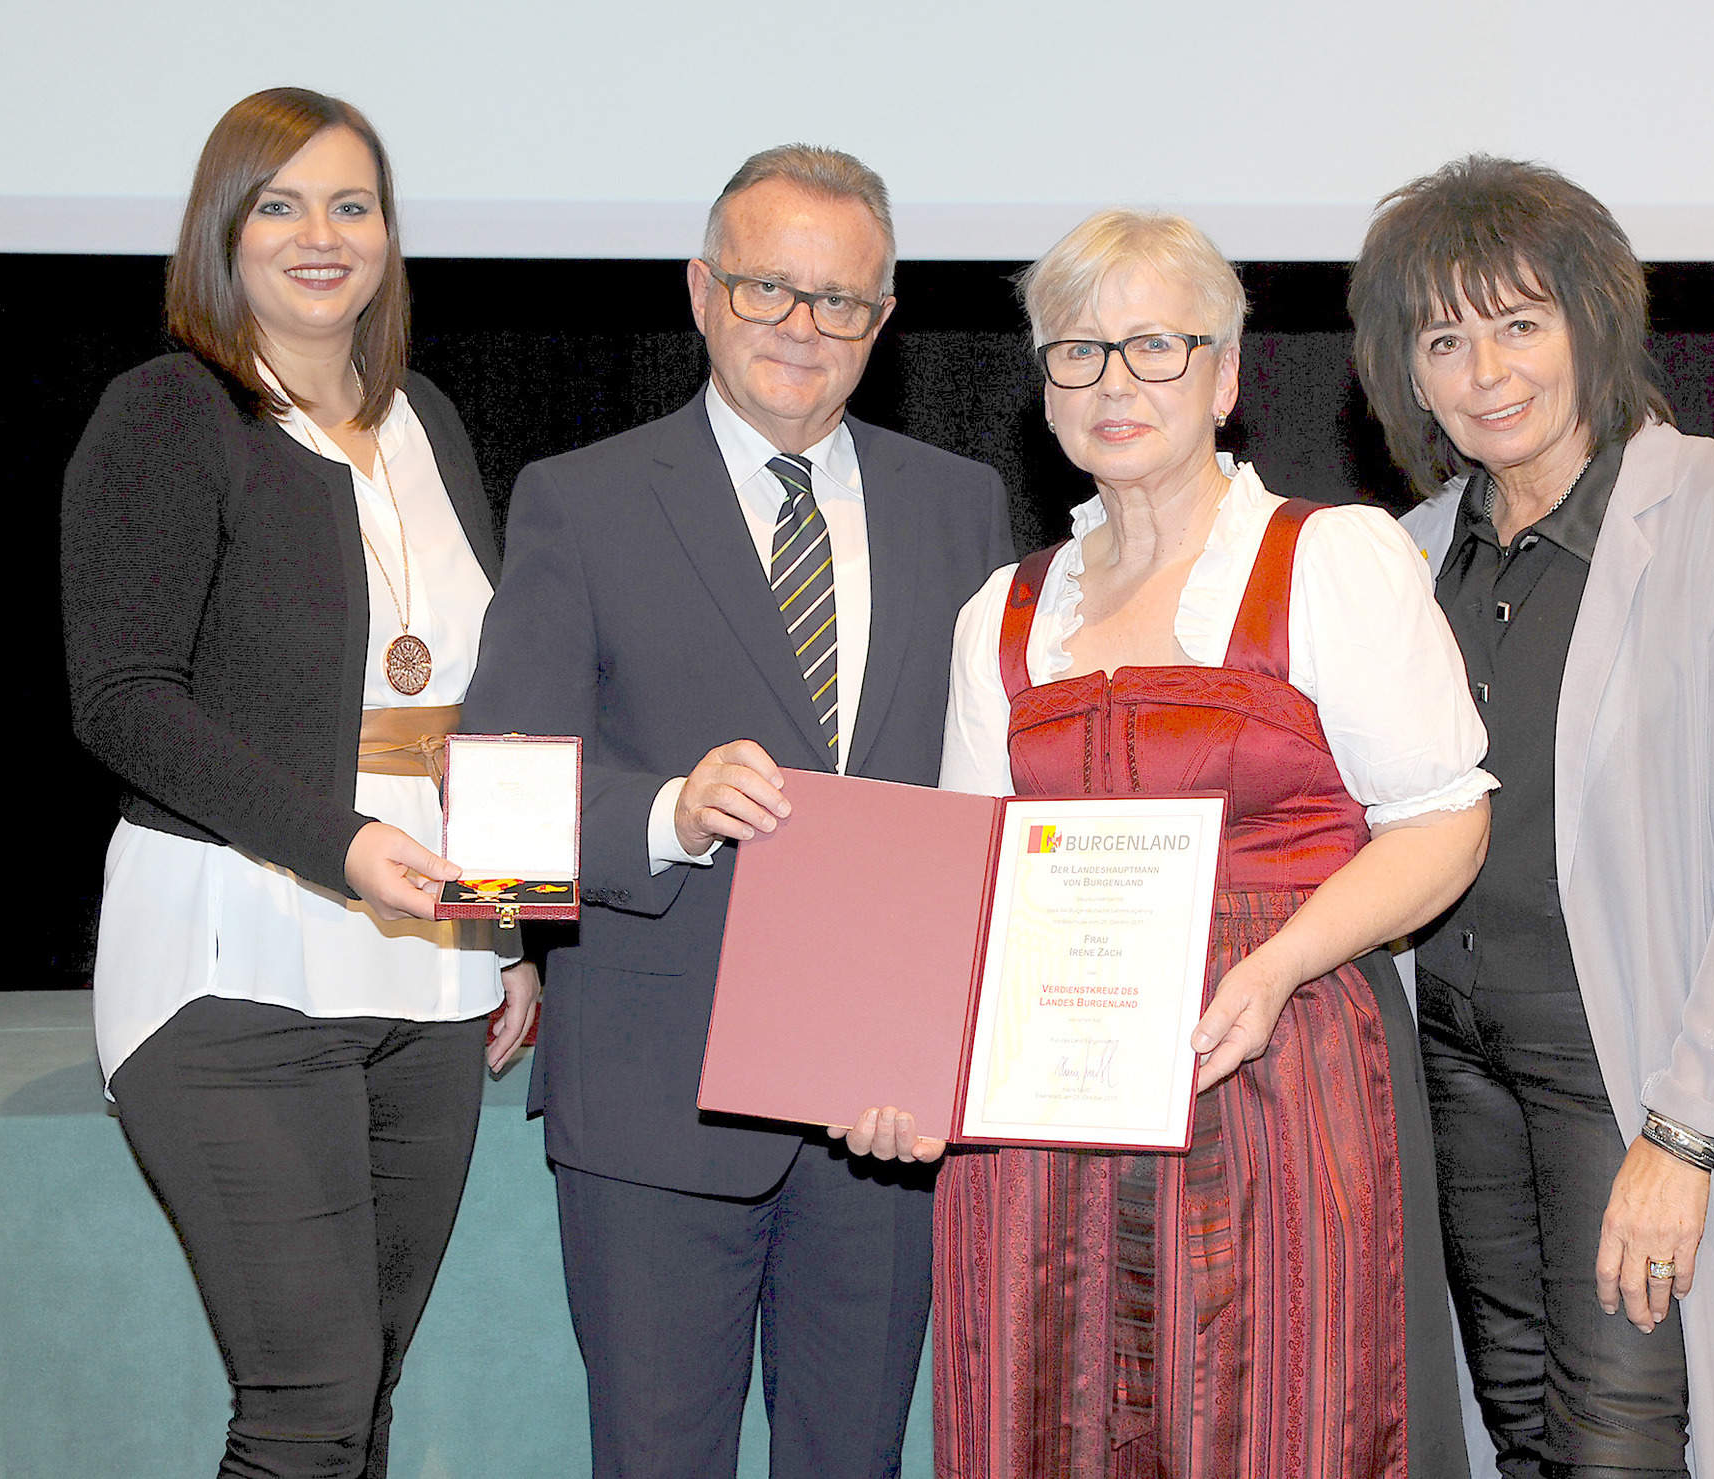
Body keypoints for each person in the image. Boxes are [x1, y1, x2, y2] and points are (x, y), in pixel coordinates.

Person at [891, 208, 1492, 1478]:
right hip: (1047, 1107)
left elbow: (1442, 820)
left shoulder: (1330, 558)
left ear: (1223, 378)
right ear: (1043, 387)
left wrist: (1273, 970)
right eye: (1078, 351)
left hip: (1280, 1063)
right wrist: (895, 1066)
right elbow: (959, 885)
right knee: (1046, 1419)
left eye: (1155, 346)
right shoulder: (999, 615)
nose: (1115, 381)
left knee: (1289, 1413)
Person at [463, 144, 1014, 1479]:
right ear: (702, 291)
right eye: (769, 287)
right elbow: (496, 797)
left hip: (883, 1112)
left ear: (882, 324)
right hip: (657, 1100)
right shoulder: (576, 496)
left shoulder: (962, 504)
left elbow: (993, 791)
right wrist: (657, 815)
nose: (800, 326)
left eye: (838, 300)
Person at [62, 87, 539, 1478]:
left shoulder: (428, 420)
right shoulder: (167, 413)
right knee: (308, 1406)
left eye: (353, 203)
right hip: (234, 957)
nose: (321, 235)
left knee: (364, 1402)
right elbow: (124, 698)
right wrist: (342, 845)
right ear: (224, 229)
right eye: (281, 204)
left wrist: (505, 928)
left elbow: (477, 696)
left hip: (435, 973)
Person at [1350, 156, 1714, 1479]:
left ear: (1590, 323)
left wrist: (1687, 1131)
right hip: (1451, 1067)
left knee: (1622, 1442)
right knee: (1516, 1427)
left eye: (1520, 321)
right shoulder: (1411, 552)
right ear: (1407, 368)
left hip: (1626, 1077)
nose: (1486, 370)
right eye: (1444, 337)